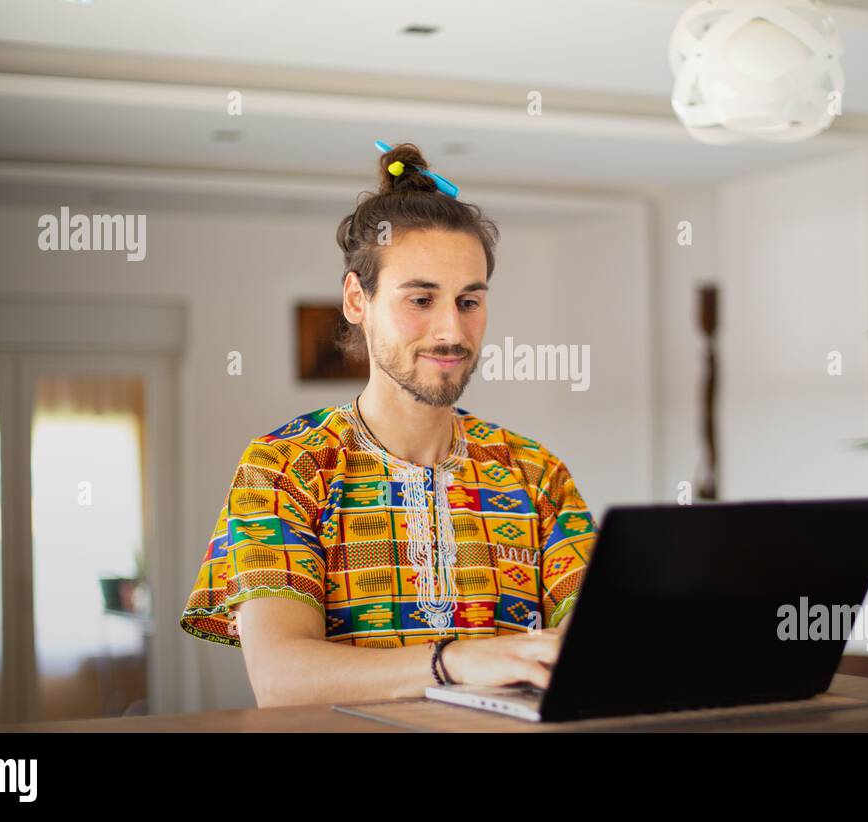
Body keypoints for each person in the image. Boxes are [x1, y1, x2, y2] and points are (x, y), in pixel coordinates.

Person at [179, 143, 596, 707]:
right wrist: (453, 662)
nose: (451, 330)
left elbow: (597, 648)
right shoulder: (286, 467)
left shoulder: (535, 472)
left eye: (469, 302)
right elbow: (281, 678)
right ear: (357, 299)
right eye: (421, 299)